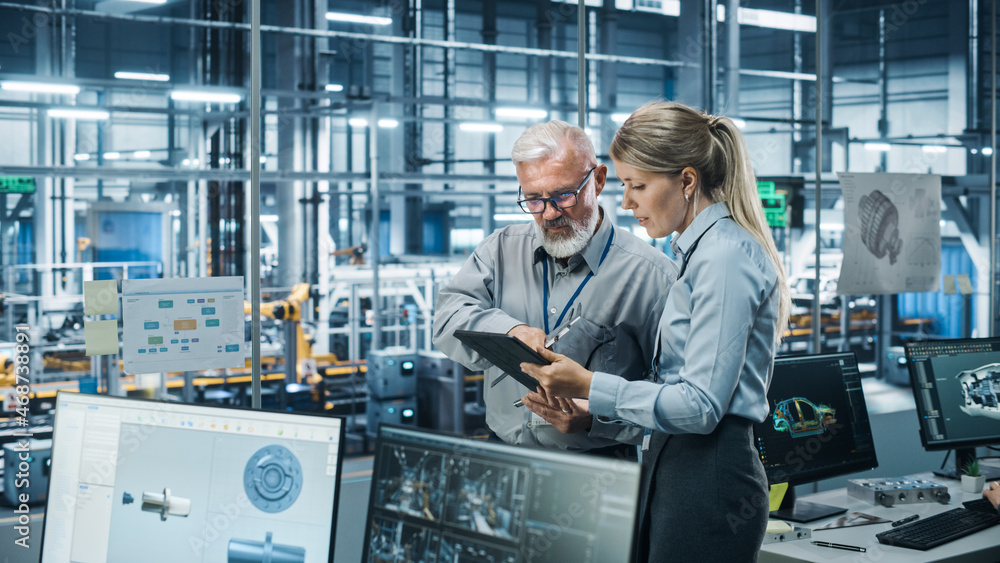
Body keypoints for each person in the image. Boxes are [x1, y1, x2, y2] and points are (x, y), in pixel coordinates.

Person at [520, 101, 791, 562]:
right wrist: (593, 414)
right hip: (678, 466)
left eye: (638, 185)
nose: (626, 202)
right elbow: (675, 394)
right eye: (626, 185)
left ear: (686, 181)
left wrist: (589, 384)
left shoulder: (724, 257)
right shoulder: (697, 254)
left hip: (709, 477)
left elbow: (702, 407)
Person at [433, 120, 677, 455]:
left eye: (563, 196)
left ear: (599, 180)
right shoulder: (499, 250)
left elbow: (675, 399)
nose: (549, 213)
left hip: (599, 466)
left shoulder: (654, 278)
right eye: (533, 199)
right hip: (504, 452)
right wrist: (511, 331)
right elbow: (448, 316)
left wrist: (598, 419)